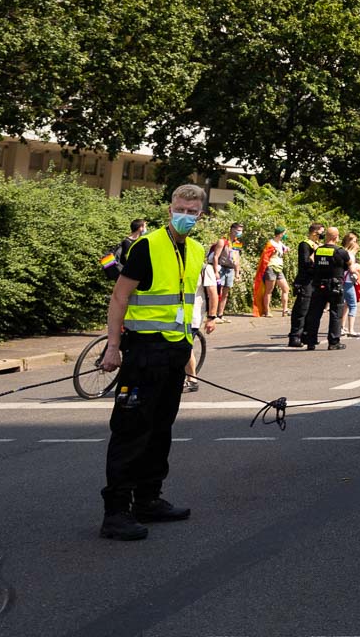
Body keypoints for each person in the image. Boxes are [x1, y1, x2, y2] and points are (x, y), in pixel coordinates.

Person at [97, 183, 214, 539]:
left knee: (160, 430)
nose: (186, 216)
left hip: (176, 350)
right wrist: (112, 347)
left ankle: (148, 499)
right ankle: (116, 512)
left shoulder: (196, 249)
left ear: (201, 214)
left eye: (193, 212)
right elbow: (119, 298)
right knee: (131, 432)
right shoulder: (146, 246)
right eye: (181, 209)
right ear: (169, 210)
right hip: (143, 352)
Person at [300, 228, 348, 351]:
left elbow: (312, 261)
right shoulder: (340, 251)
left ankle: (311, 342)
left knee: (315, 313)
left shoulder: (318, 250)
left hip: (318, 285)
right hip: (335, 285)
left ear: (326, 236)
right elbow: (349, 265)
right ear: (336, 237)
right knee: (335, 314)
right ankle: (333, 342)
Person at [287, 222, 323, 347]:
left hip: (316, 281)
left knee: (312, 311)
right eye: (320, 234)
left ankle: (307, 336)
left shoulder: (318, 245)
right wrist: (316, 251)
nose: (321, 236)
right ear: (314, 233)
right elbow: (306, 263)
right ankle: (295, 337)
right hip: (305, 281)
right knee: (301, 309)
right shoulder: (305, 244)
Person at [214, 222, 242, 321]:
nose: (240, 232)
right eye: (238, 230)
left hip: (230, 270)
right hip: (221, 268)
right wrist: (215, 271)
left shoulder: (237, 243)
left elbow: (237, 259)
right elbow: (215, 257)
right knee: (218, 292)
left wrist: (237, 273)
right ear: (232, 229)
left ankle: (220, 315)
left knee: (225, 293)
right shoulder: (223, 241)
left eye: (241, 230)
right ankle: (213, 315)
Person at [339, 232, 360, 338]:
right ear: (349, 241)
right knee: (353, 305)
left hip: (341, 281)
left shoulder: (341, 252)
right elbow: (352, 269)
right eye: (354, 240)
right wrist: (357, 266)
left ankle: (341, 327)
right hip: (348, 282)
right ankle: (351, 329)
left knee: (345, 305)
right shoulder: (350, 255)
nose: (355, 243)